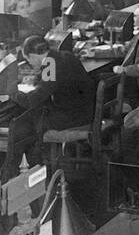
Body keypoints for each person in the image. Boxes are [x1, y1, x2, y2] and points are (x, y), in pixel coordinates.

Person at [2, 35, 95, 179]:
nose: (30, 64)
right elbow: (55, 79)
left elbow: (31, 100)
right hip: (85, 110)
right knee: (28, 119)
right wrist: (38, 79)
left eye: (28, 60)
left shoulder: (51, 64)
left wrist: (13, 92)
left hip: (73, 116)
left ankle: (16, 173)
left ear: (32, 55)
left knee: (22, 125)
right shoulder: (62, 55)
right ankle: (22, 169)